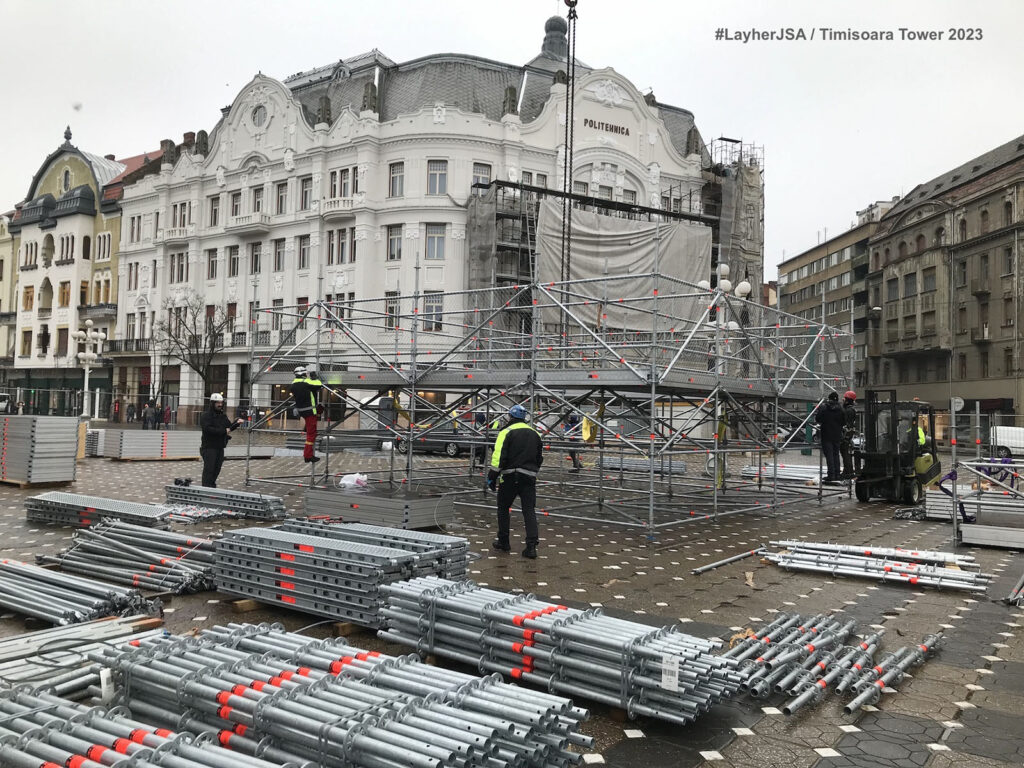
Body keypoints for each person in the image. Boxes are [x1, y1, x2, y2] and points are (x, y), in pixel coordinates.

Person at [487, 404, 544, 558]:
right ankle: (531, 547)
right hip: (528, 477)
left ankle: (504, 542)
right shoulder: (535, 434)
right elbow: (539, 458)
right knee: (529, 510)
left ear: (510, 417)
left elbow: (498, 457)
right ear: (524, 418)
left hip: (509, 477)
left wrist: (492, 477)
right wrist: (532, 471)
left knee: (503, 508)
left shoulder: (505, 432)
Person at [200, 393, 242, 487]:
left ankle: (212, 486)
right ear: (212, 403)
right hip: (209, 447)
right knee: (209, 470)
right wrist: (223, 431)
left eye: (221, 402)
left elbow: (229, 427)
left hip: (220, 447)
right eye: (217, 403)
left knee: (217, 469)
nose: (220, 405)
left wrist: (237, 423)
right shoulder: (206, 416)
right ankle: (206, 488)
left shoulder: (222, 416)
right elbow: (208, 429)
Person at [289, 365, 323, 463]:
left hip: (302, 411)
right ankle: (308, 455)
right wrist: (314, 378)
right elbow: (318, 384)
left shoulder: (293, 384)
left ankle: (306, 429)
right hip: (310, 411)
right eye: (305, 373)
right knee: (311, 434)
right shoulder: (306, 382)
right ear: (303, 374)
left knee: (311, 429)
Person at [815, 392, 845, 483]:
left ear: (829, 398)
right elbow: (844, 422)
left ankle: (830, 475)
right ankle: (837, 474)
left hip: (826, 434)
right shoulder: (841, 409)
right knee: (836, 454)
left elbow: (818, 419)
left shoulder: (824, 408)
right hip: (837, 435)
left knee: (829, 455)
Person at [840, 390, 858, 479]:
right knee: (846, 452)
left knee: (845, 452)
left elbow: (845, 422)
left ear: (847, 400)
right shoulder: (851, 409)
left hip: (846, 434)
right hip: (848, 433)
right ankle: (848, 470)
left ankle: (848, 471)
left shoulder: (848, 410)